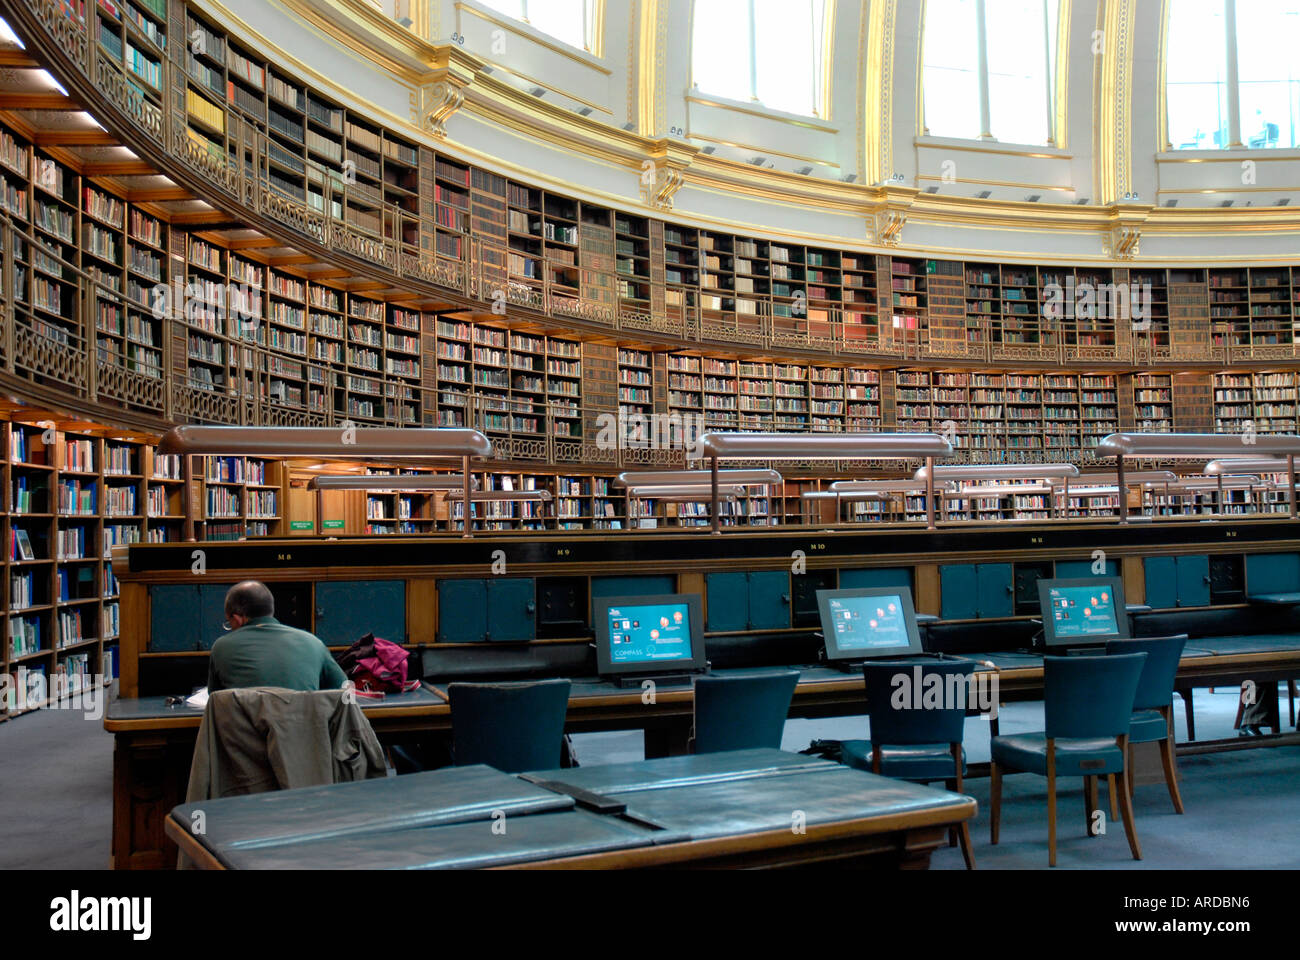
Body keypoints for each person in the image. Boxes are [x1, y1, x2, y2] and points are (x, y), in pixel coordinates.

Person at [207, 581, 349, 693]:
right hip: (303, 729)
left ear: (238, 619)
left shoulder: (221, 647)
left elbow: (216, 699)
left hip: (244, 730)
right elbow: (342, 688)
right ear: (270, 609)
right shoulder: (314, 643)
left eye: (228, 622)